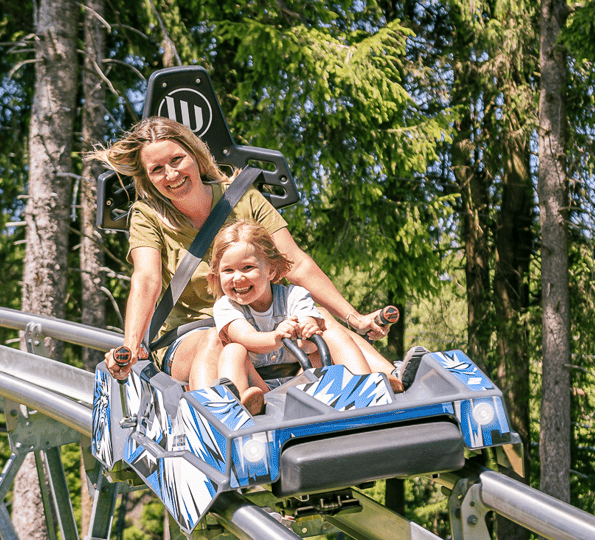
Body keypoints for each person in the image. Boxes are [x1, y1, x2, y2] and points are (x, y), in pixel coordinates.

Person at [87, 116, 402, 388]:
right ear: (147, 177)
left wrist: (354, 318)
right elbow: (147, 279)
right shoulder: (148, 215)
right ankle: (214, 419)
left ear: (194, 155)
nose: (170, 174)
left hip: (261, 325)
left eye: (176, 160)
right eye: (157, 169)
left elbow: (296, 264)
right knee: (217, 339)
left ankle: (392, 381)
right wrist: (131, 346)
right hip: (195, 333)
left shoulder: (243, 199)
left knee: (322, 322)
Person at [208, 220, 376, 414]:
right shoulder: (226, 306)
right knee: (233, 350)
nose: (237, 277)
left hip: (299, 382)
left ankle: (366, 387)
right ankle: (236, 408)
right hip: (259, 389)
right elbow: (245, 337)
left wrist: (307, 331)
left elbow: (309, 342)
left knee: (332, 335)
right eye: (228, 270)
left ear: (270, 270)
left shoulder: (294, 296)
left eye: (247, 267)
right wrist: (276, 337)